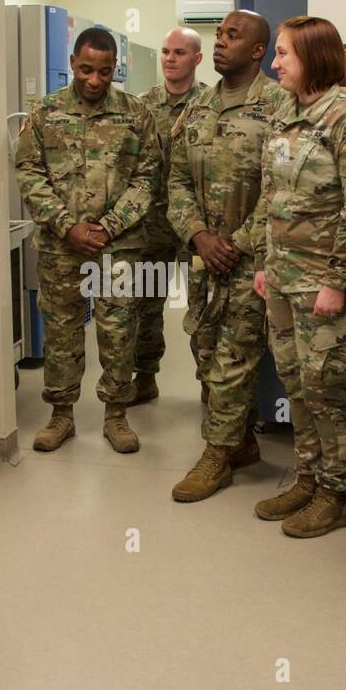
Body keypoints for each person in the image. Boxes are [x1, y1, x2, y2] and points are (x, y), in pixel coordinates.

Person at [248, 16, 346, 537]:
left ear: (314, 57)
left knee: (328, 386)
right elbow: (271, 198)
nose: (274, 62)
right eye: (276, 53)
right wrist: (264, 263)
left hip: (329, 284)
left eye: (283, 54)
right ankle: (307, 476)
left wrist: (336, 279)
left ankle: (336, 493)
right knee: (295, 382)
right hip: (283, 277)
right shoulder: (285, 112)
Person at [16, 27, 159, 455]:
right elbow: (28, 172)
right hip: (62, 246)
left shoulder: (136, 113)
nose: (94, 80)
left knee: (118, 332)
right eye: (84, 69)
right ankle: (61, 415)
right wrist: (66, 225)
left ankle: (116, 415)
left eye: (104, 71)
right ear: (72, 62)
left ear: (114, 67)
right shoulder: (44, 113)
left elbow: (149, 176)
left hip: (118, 247)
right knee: (61, 332)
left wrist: (111, 226)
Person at [166, 10, 284, 501]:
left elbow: (283, 188)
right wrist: (197, 235)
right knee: (203, 350)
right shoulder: (197, 108)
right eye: (219, 35)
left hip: (250, 263)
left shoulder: (279, 106)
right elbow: (174, 182)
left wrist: (237, 242)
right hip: (203, 260)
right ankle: (243, 442)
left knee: (233, 359)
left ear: (258, 51)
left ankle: (216, 455)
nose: (221, 43)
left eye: (233, 36)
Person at [133, 26, 208, 406]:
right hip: (152, 227)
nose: (169, 59)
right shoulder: (142, 105)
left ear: (197, 58)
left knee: (202, 308)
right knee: (146, 306)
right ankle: (145, 377)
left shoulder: (211, 105)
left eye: (179, 52)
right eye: (165, 51)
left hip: (194, 228)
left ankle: (210, 390)